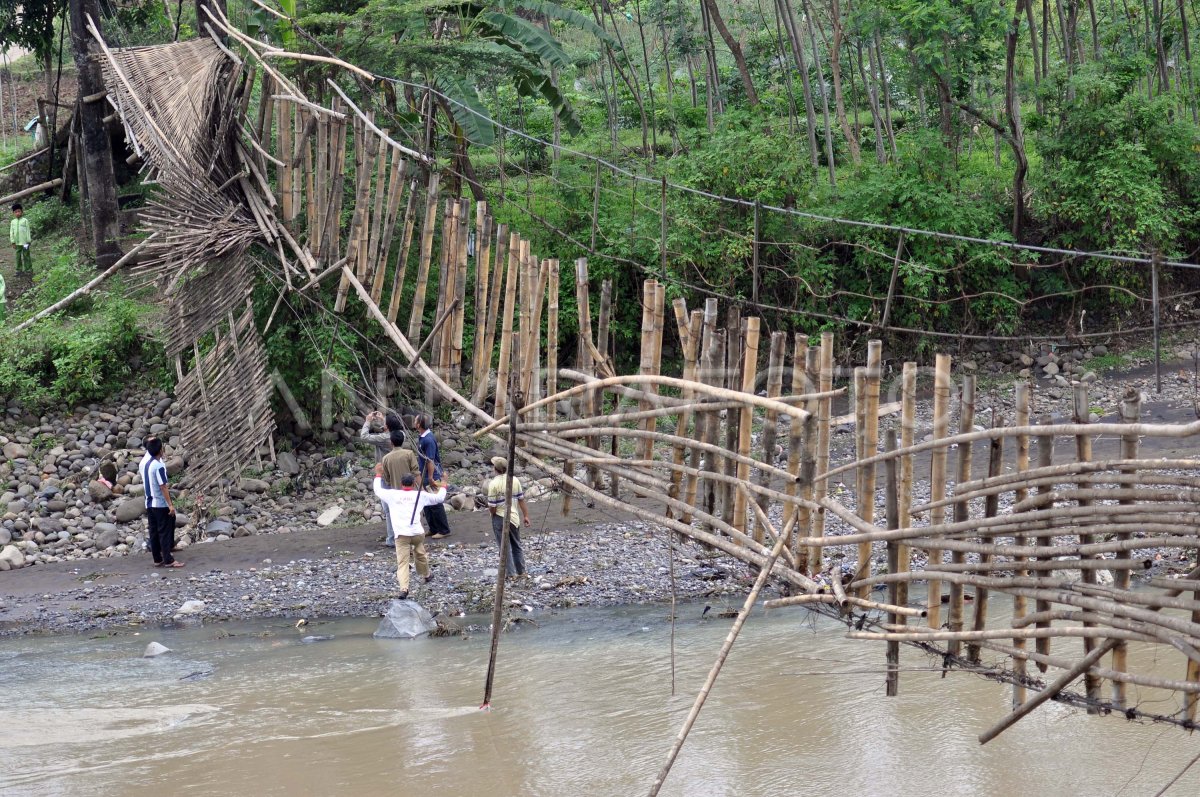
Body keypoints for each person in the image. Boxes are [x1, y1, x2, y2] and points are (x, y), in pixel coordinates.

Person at [373, 465, 447, 599]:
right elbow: (439, 498)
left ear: (401, 484)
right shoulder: (420, 495)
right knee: (419, 552)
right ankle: (426, 575)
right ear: (414, 484)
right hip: (417, 533)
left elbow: (377, 490)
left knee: (403, 562)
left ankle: (404, 588)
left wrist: (378, 474)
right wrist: (444, 484)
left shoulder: (392, 495)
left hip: (401, 535)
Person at [486, 457, 530, 578]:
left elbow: (492, 507)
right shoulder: (515, 480)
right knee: (517, 545)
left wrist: (492, 513)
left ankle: (511, 574)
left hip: (500, 517)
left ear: (495, 469)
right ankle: (521, 571)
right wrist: (526, 516)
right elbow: (521, 500)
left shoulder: (493, 484)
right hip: (514, 517)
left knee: (504, 547)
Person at [142, 437, 183, 568]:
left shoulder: (145, 463)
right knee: (164, 531)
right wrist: (170, 504)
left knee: (153, 532)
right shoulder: (158, 465)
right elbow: (163, 486)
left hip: (149, 503)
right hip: (159, 503)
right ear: (161, 450)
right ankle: (168, 559)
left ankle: (157, 558)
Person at [379, 429, 420, 547]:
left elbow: (386, 478)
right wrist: (421, 490)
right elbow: (416, 472)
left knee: (393, 515)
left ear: (391, 442)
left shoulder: (386, 458)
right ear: (403, 441)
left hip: (395, 491)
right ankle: (412, 536)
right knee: (411, 514)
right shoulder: (409, 454)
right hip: (410, 490)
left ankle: (392, 539)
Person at [415, 413, 452, 539]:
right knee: (427, 502)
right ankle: (433, 528)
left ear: (419, 424)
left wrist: (430, 477)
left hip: (432, 474)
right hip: (424, 473)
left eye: (415, 421)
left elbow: (430, 460)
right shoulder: (422, 437)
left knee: (435, 503)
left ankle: (444, 529)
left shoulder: (428, 439)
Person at [10, 203, 31, 273]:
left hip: (25, 243)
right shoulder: (13, 222)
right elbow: (11, 232)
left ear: (22, 212)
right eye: (15, 212)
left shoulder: (25, 220)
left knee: (26, 255)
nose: (17, 213)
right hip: (17, 243)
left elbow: (28, 231)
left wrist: (28, 241)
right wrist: (13, 242)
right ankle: (18, 270)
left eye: (19, 211)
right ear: (13, 213)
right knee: (18, 257)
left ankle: (28, 269)